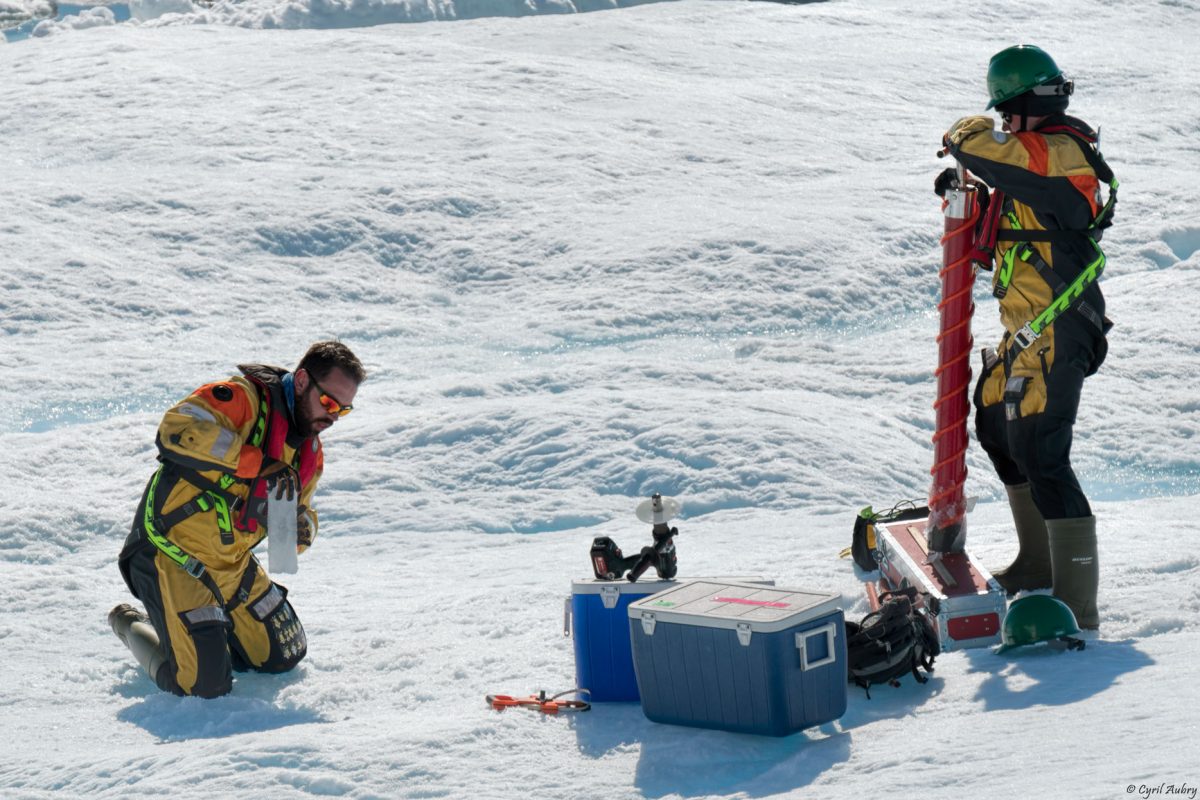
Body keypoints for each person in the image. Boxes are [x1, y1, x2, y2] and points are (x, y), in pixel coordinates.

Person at [937, 45, 1117, 630]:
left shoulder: (1062, 153)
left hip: (1061, 328)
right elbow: (1021, 204)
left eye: (1009, 113)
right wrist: (979, 197)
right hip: (1027, 329)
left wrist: (969, 133)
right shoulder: (1038, 162)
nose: (1005, 124)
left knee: (1043, 450)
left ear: (1029, 105)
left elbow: (990, 149)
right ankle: (1038, 565)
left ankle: (1076, 608)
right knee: (994, 421)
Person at [110, 341, 367, 696]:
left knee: (284, 655)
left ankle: (200, 632)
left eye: (344, 410)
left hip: (232, 564)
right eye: (328, 403)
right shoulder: (242, 400)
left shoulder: (309, 455)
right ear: (304, 380)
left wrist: (301, 530)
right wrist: (255, 465)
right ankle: (131, 622)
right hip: (172, 552)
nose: (333, 417)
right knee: (204, 684)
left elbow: (301, 520)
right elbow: (177, 428)